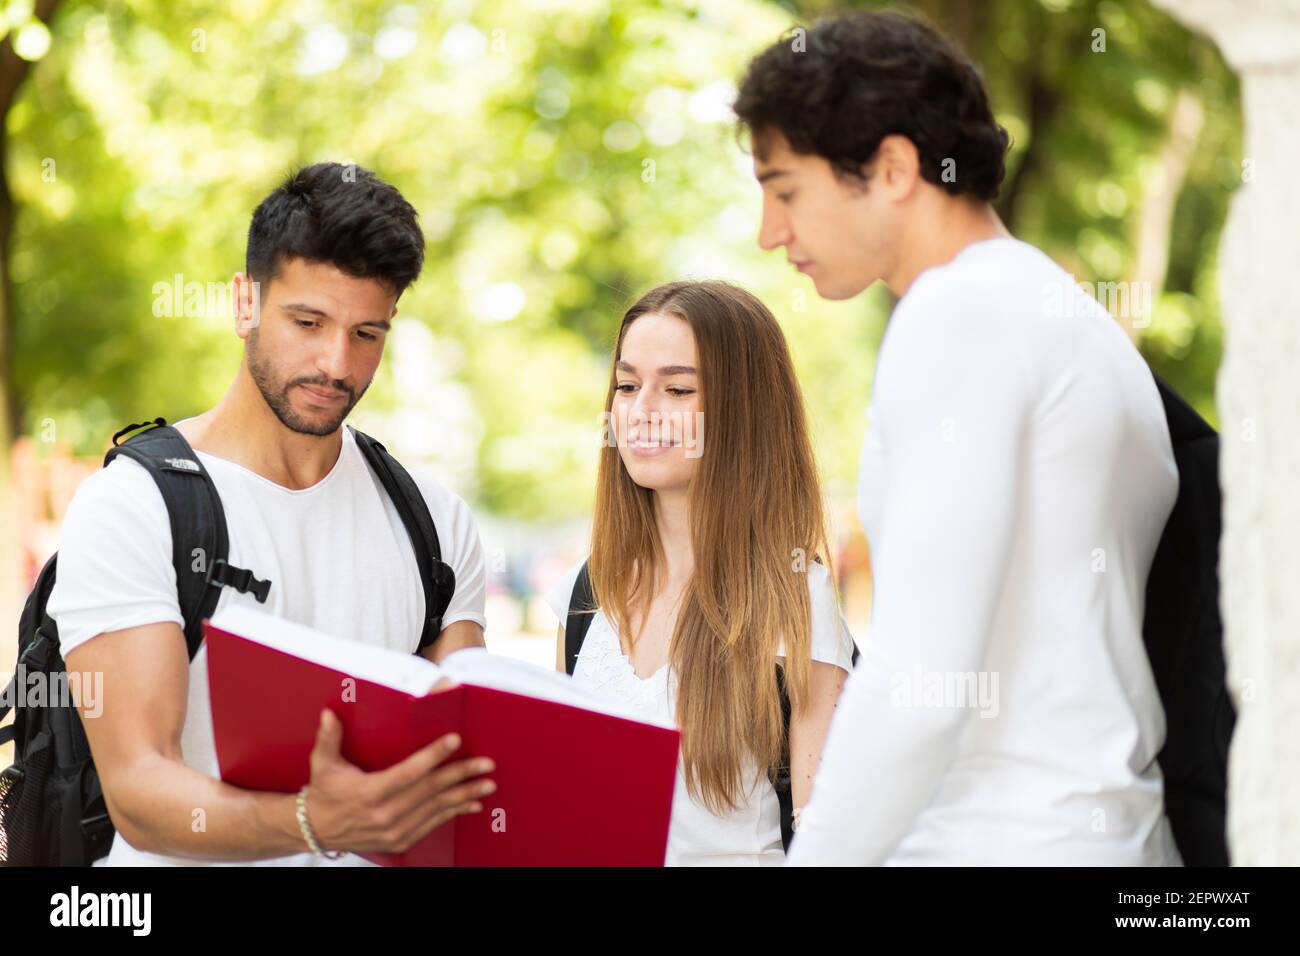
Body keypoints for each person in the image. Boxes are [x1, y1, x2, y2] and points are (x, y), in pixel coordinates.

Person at [734, 11, 1183, 865]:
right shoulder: (1068, 318)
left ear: (895, 167)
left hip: (1004, 839)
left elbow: (921, 682)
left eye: (785, 188)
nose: (770, 231)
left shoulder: (959, 312)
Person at [48, 163, 496, 866]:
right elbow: (138, 789)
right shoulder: (134, 506)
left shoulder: (434, 522)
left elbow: (458, 769)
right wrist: (312, 822)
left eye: (366, 333)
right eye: (307, 322)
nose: (335, 363)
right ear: (244, 303)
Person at [546, 280, 856, 865]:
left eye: (678, 388)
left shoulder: (797, 601)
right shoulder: (585, 594)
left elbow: (829, 844)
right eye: (628, 385)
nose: (641, 413)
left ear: (744, 409)